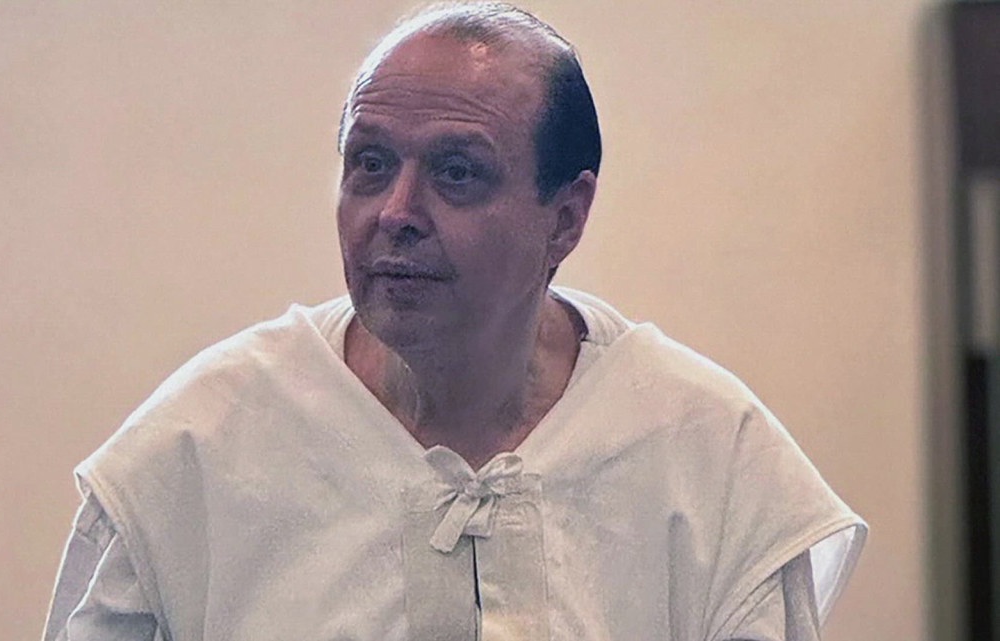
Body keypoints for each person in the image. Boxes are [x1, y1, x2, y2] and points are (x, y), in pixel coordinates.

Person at [42, 3, 866, 640]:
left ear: (565, 217)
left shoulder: (709, 458)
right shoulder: (195, 451)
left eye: (457, 172)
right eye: (370, 164)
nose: (395, 212)